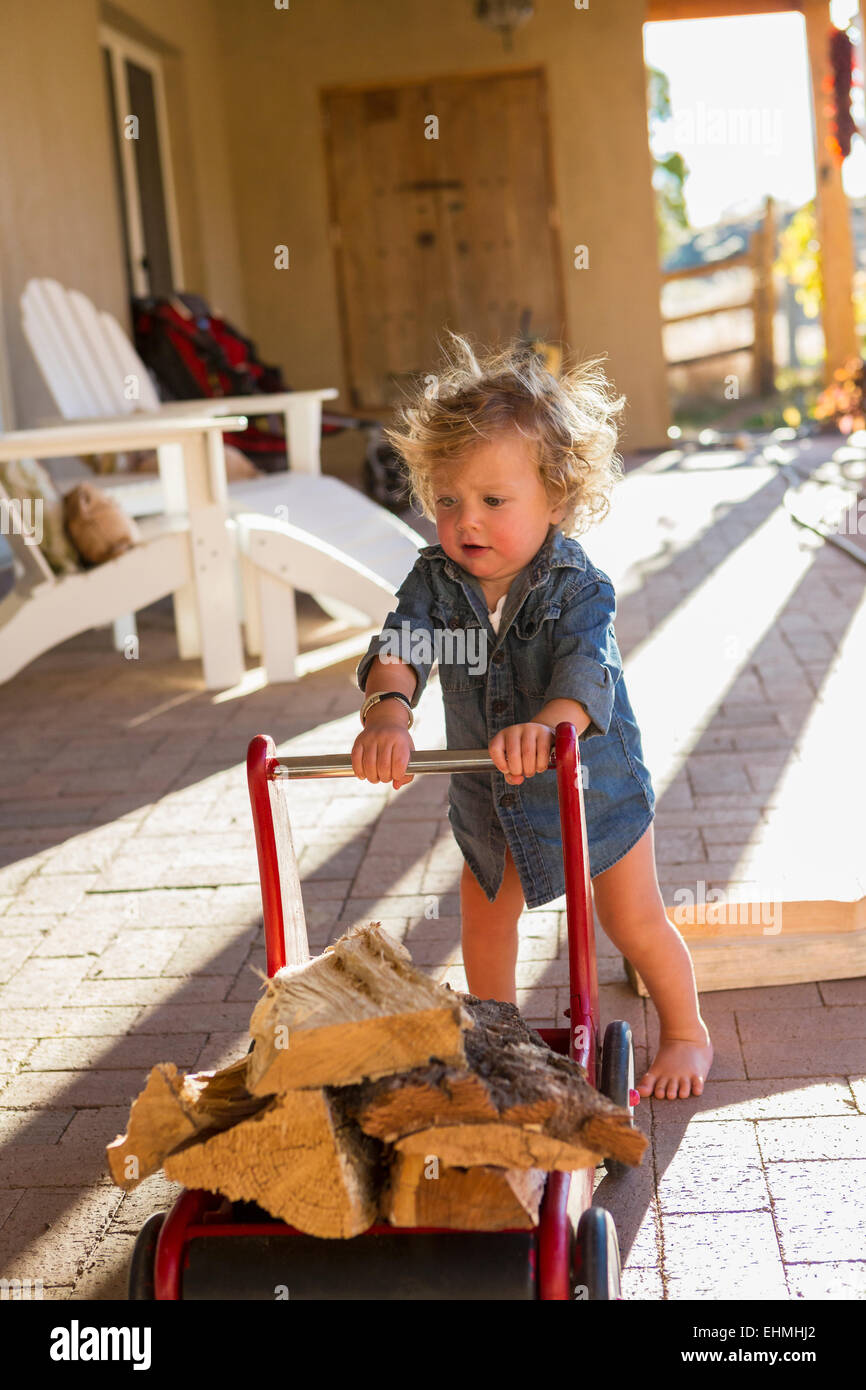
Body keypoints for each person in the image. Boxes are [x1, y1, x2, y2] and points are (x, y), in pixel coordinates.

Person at [351, 334, 712, 1101]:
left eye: (491, 501)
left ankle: (687, 1032)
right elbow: (402, 647)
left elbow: (587, 675)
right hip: (490, 793)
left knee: (634, 920)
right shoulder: (438, 582)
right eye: (447, 501)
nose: (465, 522)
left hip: (593, 788)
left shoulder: (578, 586)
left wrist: (548, 724)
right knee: (484, 921)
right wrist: (388, 710)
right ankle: (502, 1047)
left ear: (556, 498)